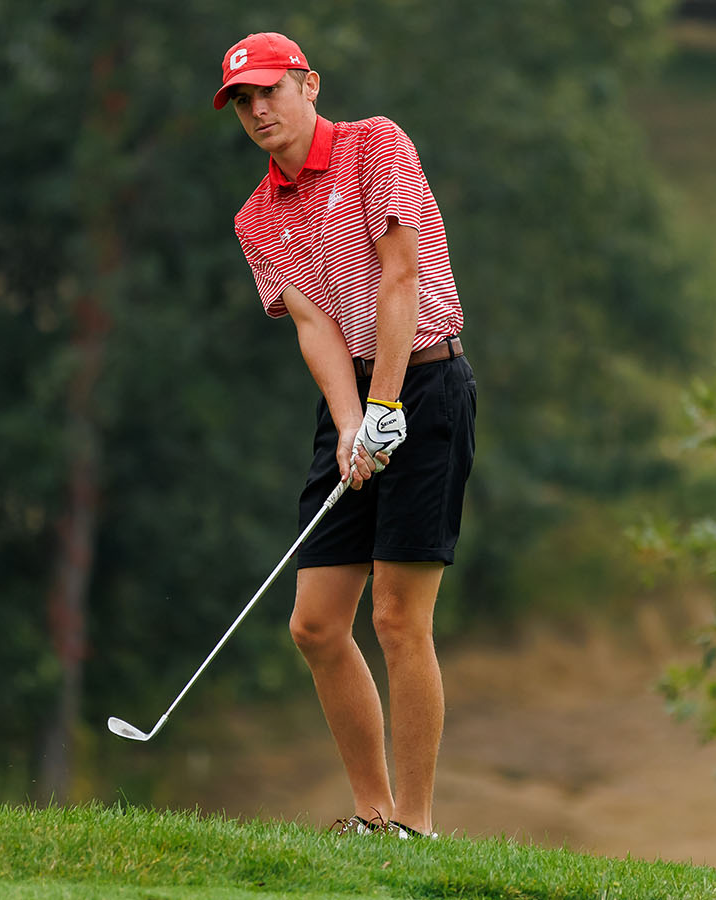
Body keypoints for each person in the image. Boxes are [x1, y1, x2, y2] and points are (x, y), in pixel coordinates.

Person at [213, 32, 476, 840]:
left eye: (270, 91)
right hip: (354, 400)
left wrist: (389, 404)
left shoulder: (376, 145)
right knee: (316, 623)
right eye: (244, 101)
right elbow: (314, 325)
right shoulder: (257, 216)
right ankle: (372, 815)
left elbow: (403, 276)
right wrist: (350, 419)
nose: (259, 110)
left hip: (425, 382)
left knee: (399, 618)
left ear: (309, 85)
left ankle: (417, 829)